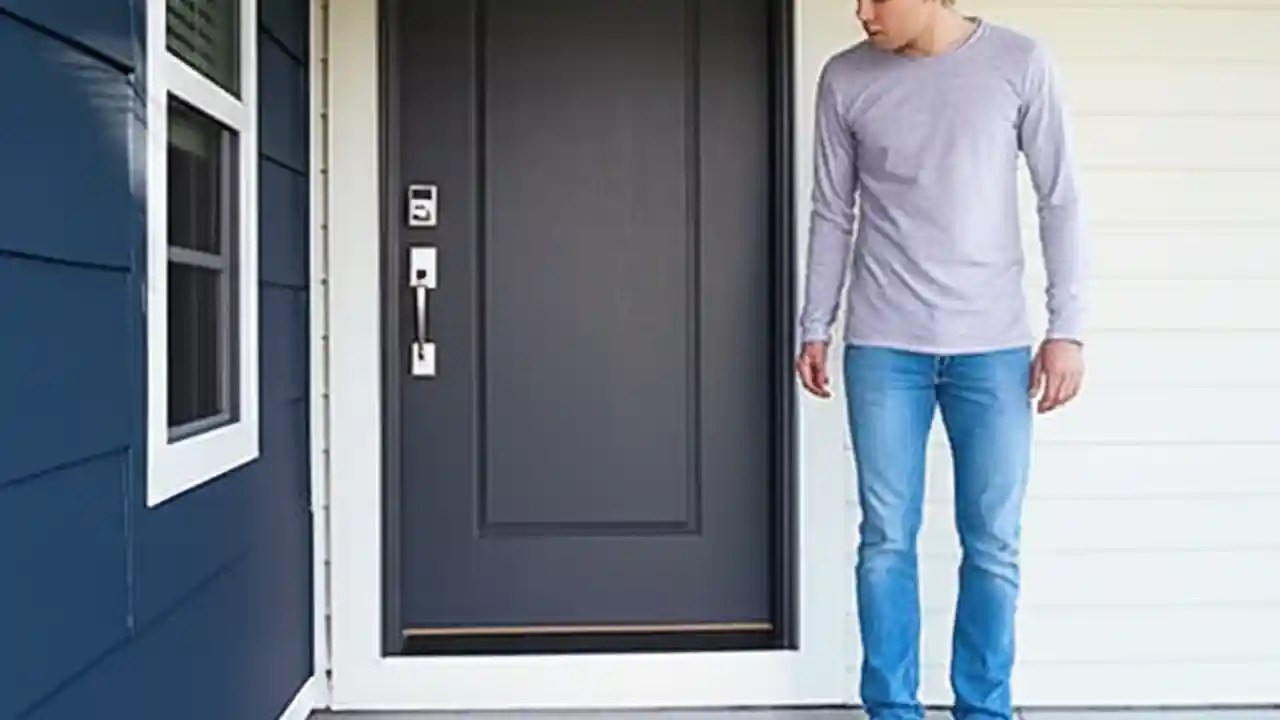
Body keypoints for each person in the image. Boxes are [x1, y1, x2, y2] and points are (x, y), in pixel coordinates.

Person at [794, 1, 1087, 718]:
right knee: (886, 541)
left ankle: (984, 711)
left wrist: (1067, 327)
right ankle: (891, 711)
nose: (859, 10)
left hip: (993, 348)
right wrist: (815, 323)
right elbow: (833, 210)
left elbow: (1060, 198)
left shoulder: (1020, 64)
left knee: (993, 546)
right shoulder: (844, 79)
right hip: (884, 348)